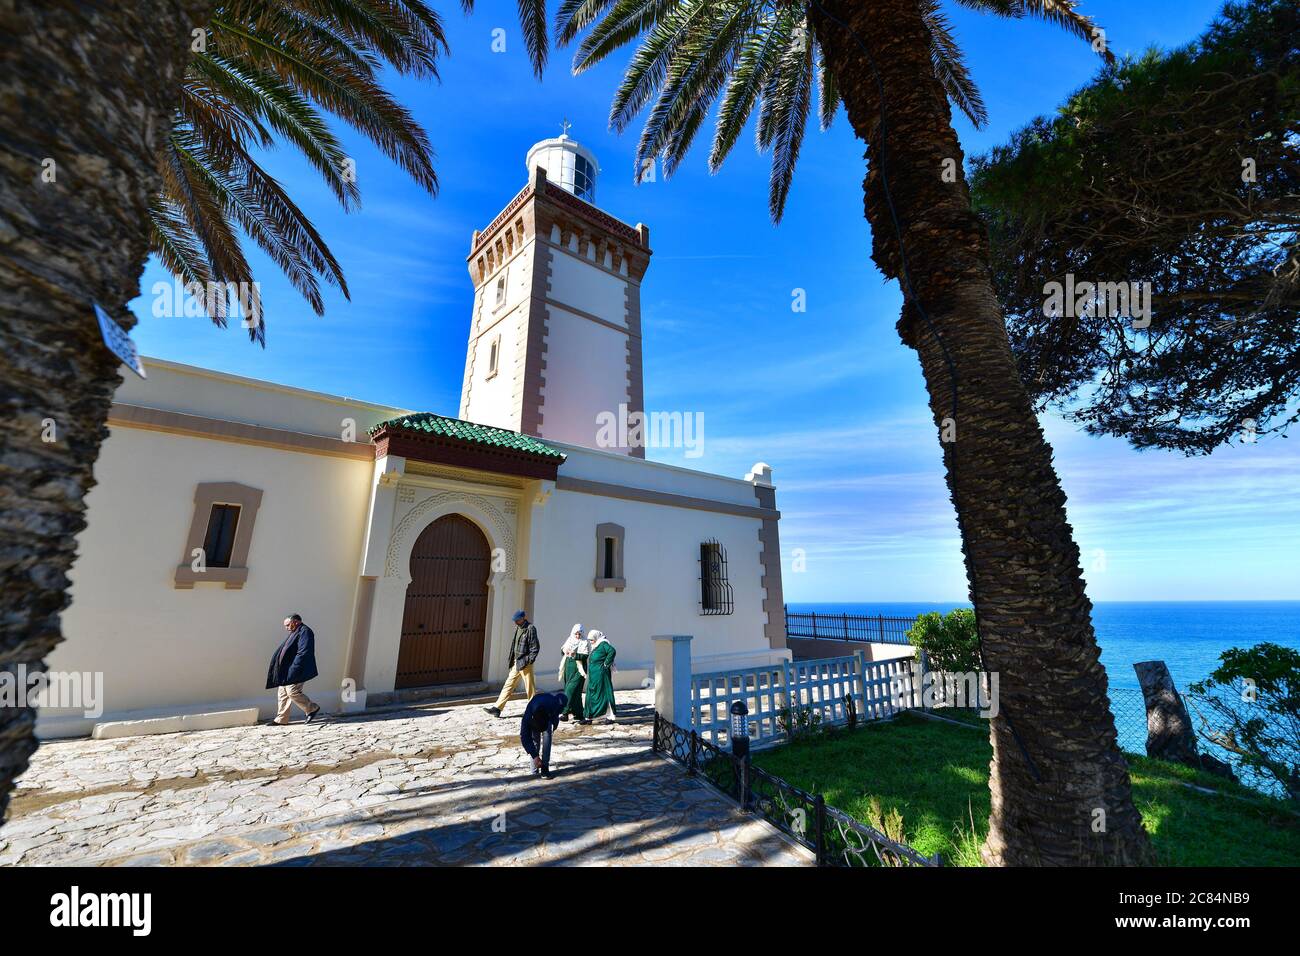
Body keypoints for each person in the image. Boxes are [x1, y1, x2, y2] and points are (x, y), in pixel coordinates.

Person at [266, 614, 321, 725]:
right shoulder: (295, 632)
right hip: (286, 670)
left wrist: (294, 668)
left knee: (292, 691)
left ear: (295, 622)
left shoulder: (305, 632)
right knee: (282, 693)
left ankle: (312, 708)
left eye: (288, 625)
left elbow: (303, 652)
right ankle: (281, 719)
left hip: (296, 669)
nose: (286, 628)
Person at [484, 609, 539, 717]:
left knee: (529, 687)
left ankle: (534, 709)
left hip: (525, 663)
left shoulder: (530, 628)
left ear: (523, 618)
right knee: (509, 684)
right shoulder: (517, 628)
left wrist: (528, 660)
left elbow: (535, 647)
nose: (515, 622)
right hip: (516, 662)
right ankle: (497, 708)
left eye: (517, 620)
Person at [520, 691, 567, 778]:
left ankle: (545, 769)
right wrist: (535, 756)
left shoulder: (554, 707)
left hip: (547, 715)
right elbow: (524, 737)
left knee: (547, 739)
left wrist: (554, 725)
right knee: (535, 742)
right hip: (536, 713)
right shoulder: (528, 718)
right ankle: (534, 772)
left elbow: (562, 699)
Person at [583, 629, 617, 723]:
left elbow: (612, 651)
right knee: (592, 693)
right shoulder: (596, 645)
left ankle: (610, 716)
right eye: (589, 640)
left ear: (597, 638)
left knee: (605, 692)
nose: (591, 642)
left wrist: (606, 664)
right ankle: (589, 716)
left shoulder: (603, 644)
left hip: (601, 674)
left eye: (592, 640)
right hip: (594, 675)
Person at [557, 623, 589, 722]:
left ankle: (565, 712)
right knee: (575, 692)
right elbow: (562, 651)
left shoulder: (584, 642)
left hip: (580, 669)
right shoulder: (569, 640)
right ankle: (579, 714)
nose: (578, 636)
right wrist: (565, 651)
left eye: (579, 634)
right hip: (568, 667)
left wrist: (574, 654)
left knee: (571, 689)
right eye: (576, 634)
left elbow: (585, 656)